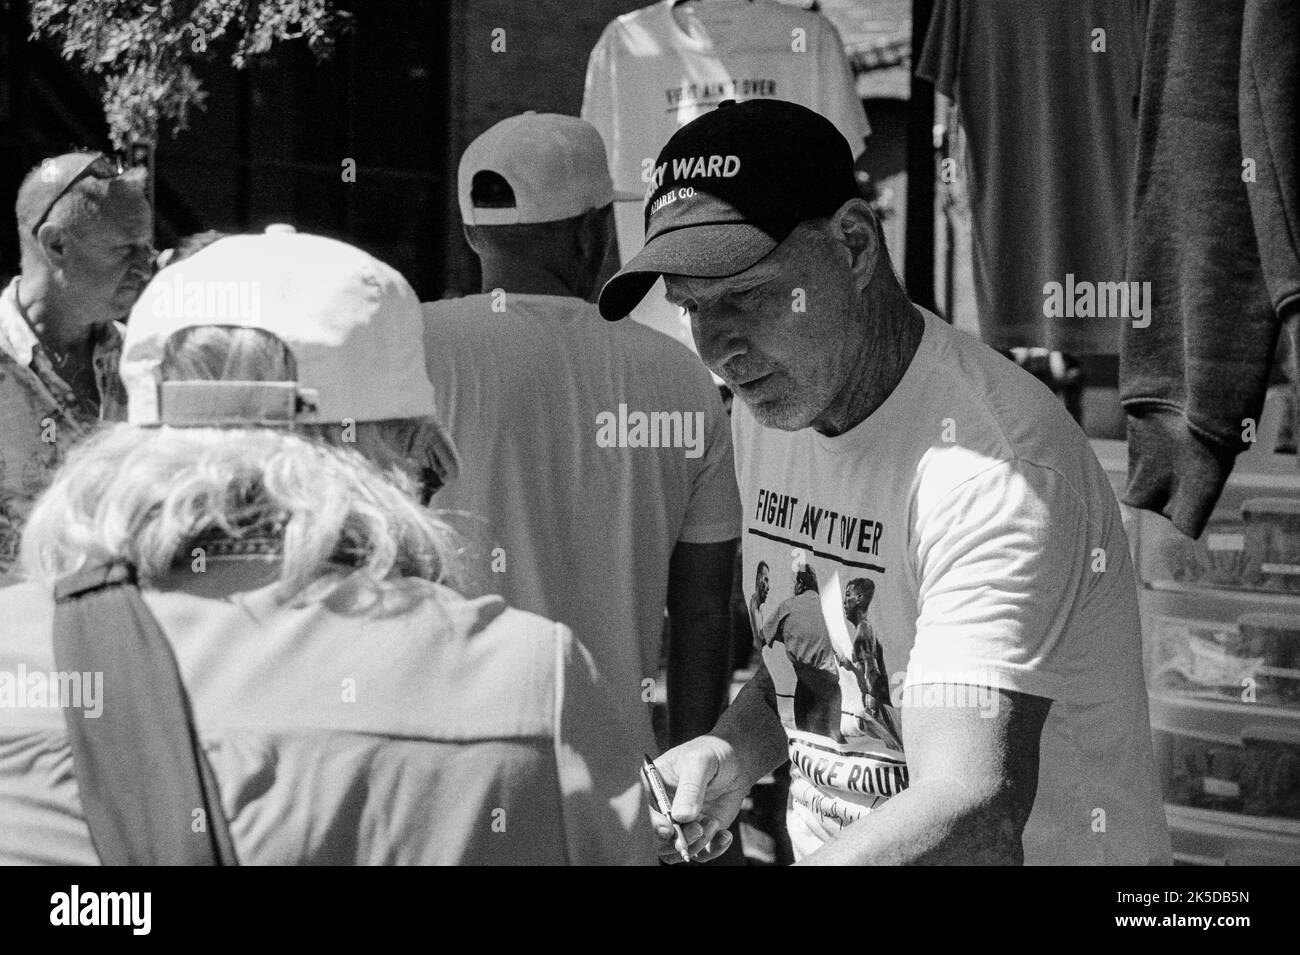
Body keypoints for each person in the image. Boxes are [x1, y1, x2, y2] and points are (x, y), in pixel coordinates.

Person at [598, 98, 1170, 865]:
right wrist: (729, 753)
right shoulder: (768, 409)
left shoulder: (995, 469)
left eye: (747, 293)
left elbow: (970, 810)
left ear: (856, 245)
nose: (720, 347)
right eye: (692, 307)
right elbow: (826, 668)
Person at [0, 229, 654, 865]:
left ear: (133, 438)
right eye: (428, 470)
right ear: (389, 456)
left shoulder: (18, 660)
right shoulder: (532, 684)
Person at [423, 113, 742, 760]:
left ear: (469, 232)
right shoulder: (681, 375)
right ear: (591, 234)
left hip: (446, 771)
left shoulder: (410, 349)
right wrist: (695, 775)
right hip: (612, 784)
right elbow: (704, 608)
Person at [0, 152, 153, 581]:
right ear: (56, 245)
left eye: (147, 247)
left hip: (116, 627)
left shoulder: (144, 359)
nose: (144, 266)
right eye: (125, 248)